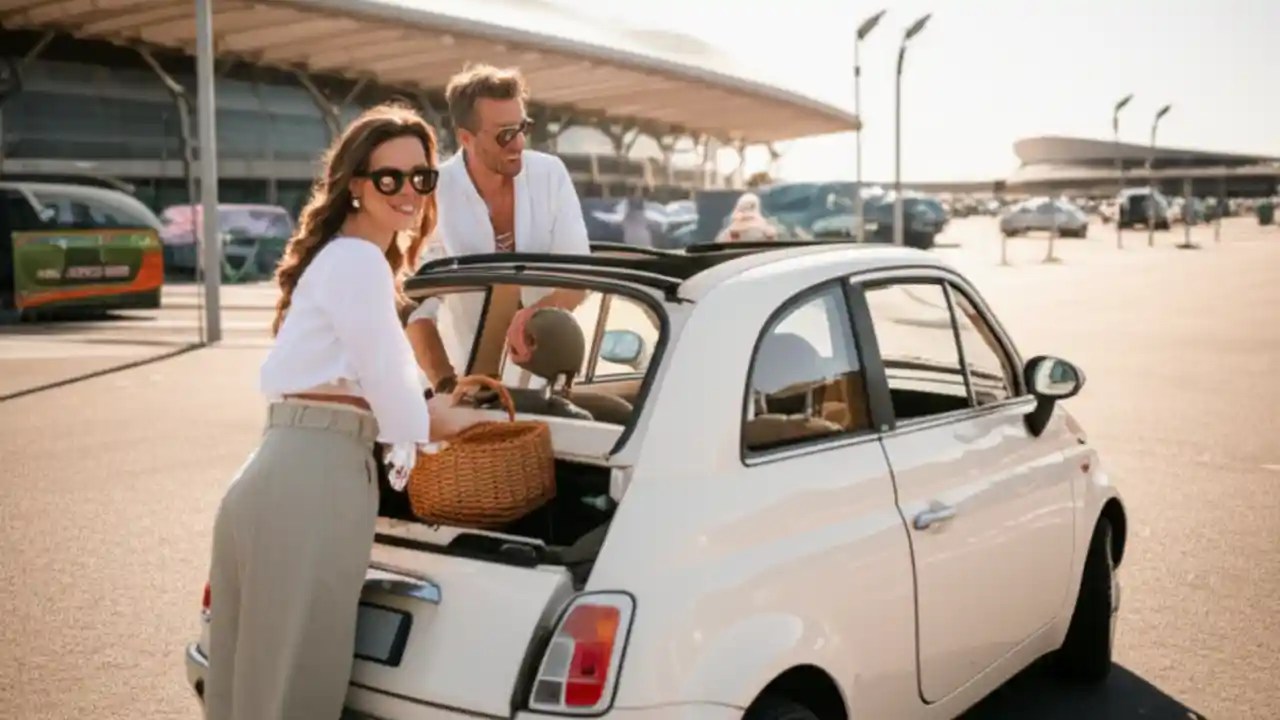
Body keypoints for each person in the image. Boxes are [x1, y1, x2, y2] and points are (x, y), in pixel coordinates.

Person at [203, 102, 445, 720]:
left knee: (246, 695)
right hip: (312, 480)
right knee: (294, 695)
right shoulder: (358, 261)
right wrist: (460, 420)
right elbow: (396, 393)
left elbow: (383, 378)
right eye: (389, 178)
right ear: (356, 185)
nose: (409, 191)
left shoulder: (345, 259)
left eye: (421, 176)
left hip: (281, 471)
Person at [404, 64, 590, 394]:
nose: (518, 143)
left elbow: (577, 276)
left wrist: (531, 317)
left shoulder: (550, 174)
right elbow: (418, 307)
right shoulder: (434, 192)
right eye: (505, 134)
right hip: (458, 379)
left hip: (543, 381)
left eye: (522, 128)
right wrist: (448, 387)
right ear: (466, 138)